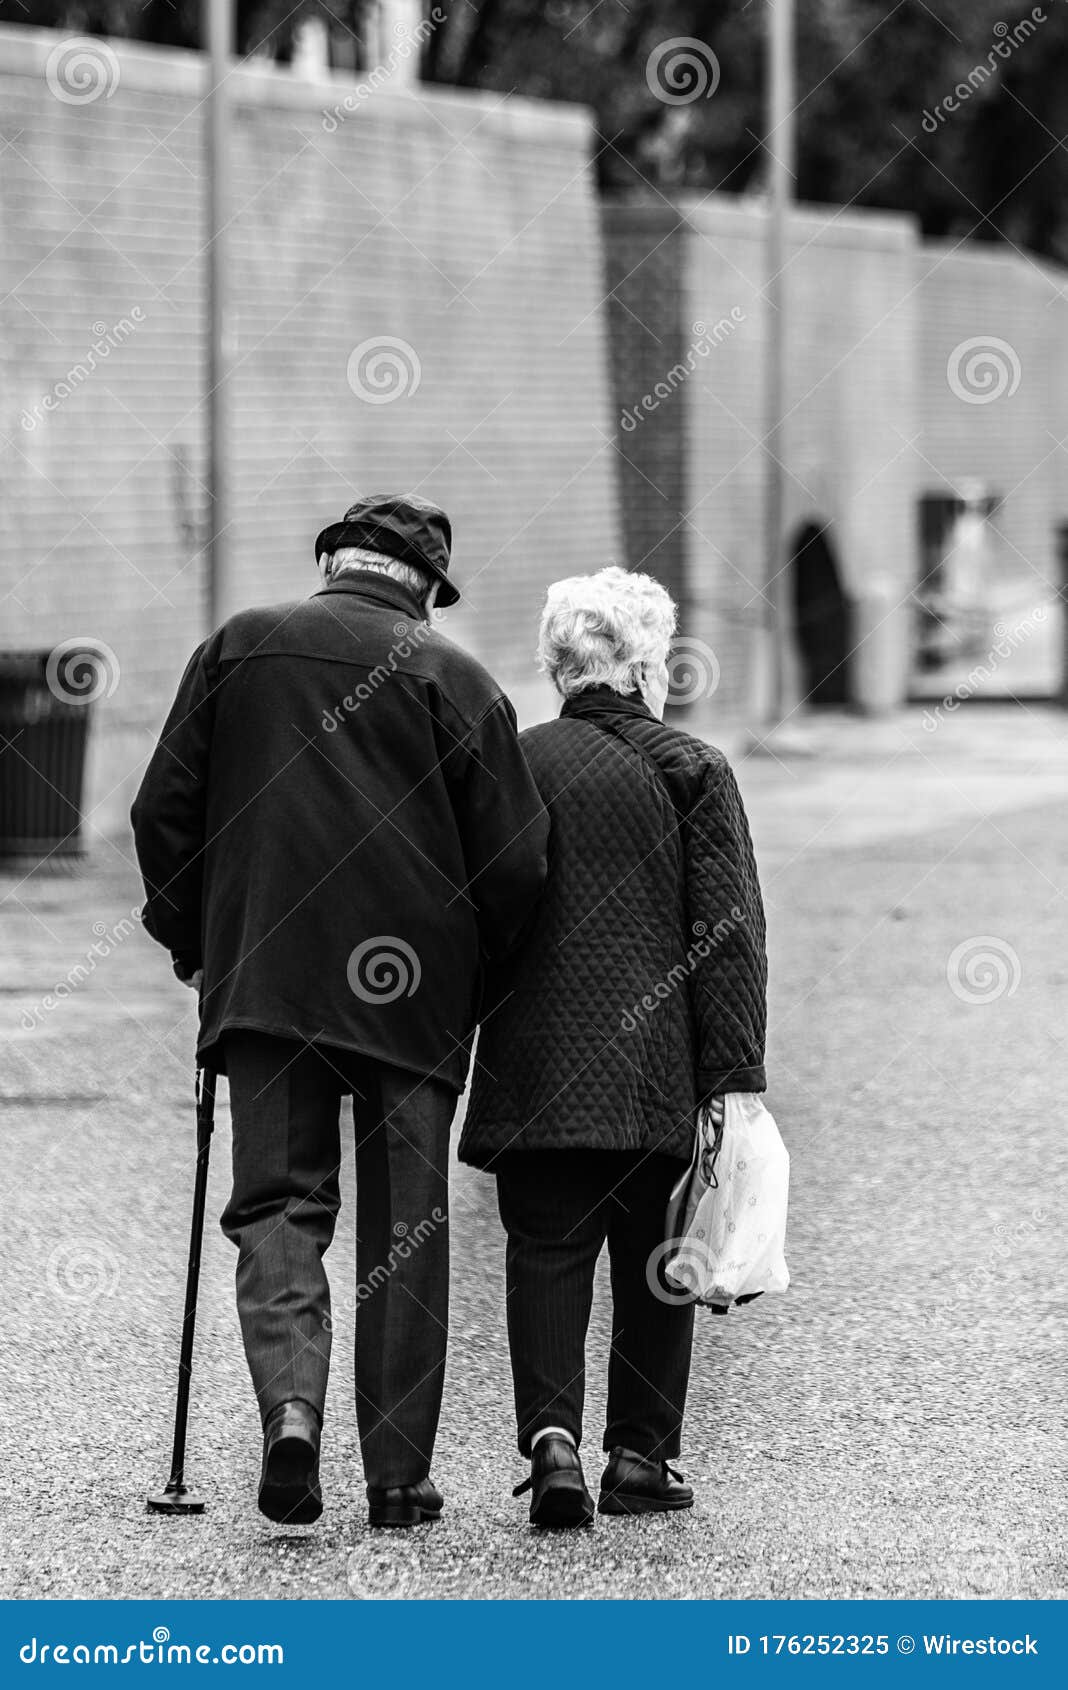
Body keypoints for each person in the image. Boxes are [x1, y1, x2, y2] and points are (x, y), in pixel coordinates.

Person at [132, 493, 548, 1528]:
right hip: (413, 996)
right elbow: (518, 864)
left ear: (330, 561)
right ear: (426, 588)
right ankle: (398, 1479)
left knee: (278, 1205)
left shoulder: (239, 648)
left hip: (266, 982)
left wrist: (201, 944)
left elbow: (161, 814)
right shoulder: (459, 678)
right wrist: (473, 980)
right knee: (405, 1222)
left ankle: (290, 1413)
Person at [459, 566, 768, 1527]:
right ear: (645, 664)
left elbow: (474, 916)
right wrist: (734, 1081)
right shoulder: (693, 768)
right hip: (656, 1076)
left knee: (545, 1249)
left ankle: (551, 1445)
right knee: (655, 1256)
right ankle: (640, 1455)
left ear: (561, 663)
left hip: (538, 1065)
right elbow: (729, 939)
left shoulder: (513, 763)